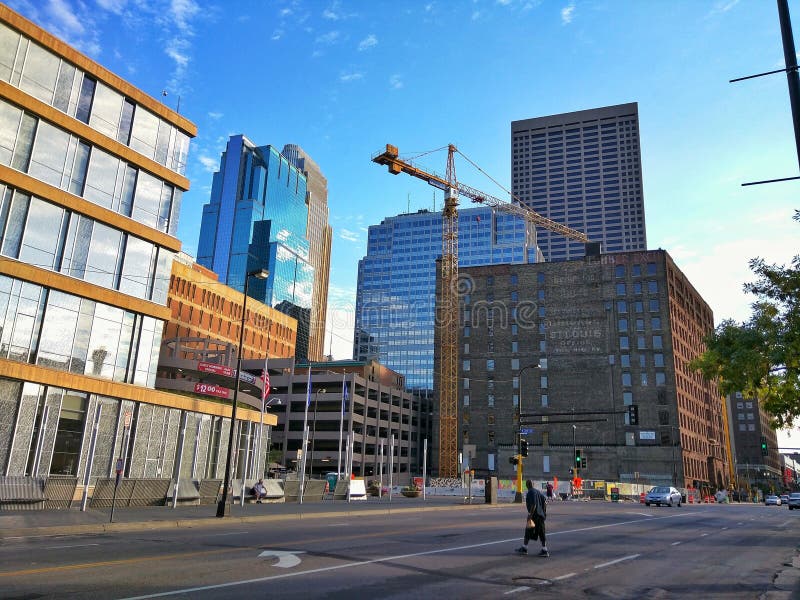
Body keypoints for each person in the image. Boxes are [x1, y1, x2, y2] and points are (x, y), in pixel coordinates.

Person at [516, 480, 549, 557]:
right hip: (540, 516)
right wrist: (544, 512)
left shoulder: (530, 492)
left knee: (528, 531)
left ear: (527, 485)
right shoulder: (538, 491)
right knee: (541, 533)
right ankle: (544, 550)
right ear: (533, 484)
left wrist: (530, 515)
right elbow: (545, 502)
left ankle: (524, 548)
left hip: (534, 516)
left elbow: (533, 504)